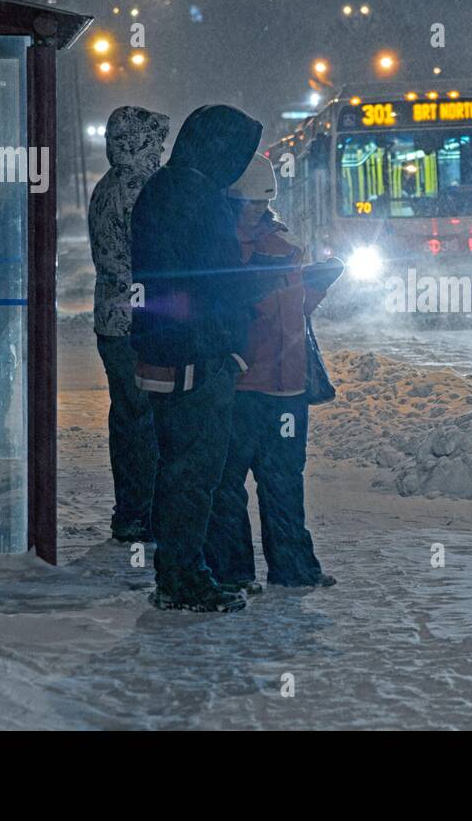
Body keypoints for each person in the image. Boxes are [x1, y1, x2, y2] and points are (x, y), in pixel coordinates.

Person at [131, 105, 266, 612]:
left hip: (171, 351)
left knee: (180, 469)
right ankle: (182, 579)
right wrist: (224, 340)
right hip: (195, 359)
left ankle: (184, 572)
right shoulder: (195, 198)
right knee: (194, 473)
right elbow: (208, 282)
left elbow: (160, 284)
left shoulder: (163, 190)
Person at [205, 156, 341, 590]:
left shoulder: (284, 246)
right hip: (244, 386)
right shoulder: (222, 251)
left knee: (283, 479)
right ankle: (234, 574)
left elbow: (292, 313)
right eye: (249, 204)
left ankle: (294, 569)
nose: (257, 212)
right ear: (230, 201)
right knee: (230, 486)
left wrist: (317, 284)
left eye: (263, 204)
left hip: (287, 388)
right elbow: (232, 316)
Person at [87, 106, 170, 542]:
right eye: (155, 143)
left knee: (127, 417)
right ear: (140, 143)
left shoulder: (106, 186)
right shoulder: (140, 189)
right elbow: (153, 259)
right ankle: (141, 515)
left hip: (111, 319)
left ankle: (130, 511)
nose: (160, 151)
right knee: (145, 421)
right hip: (137, 322)